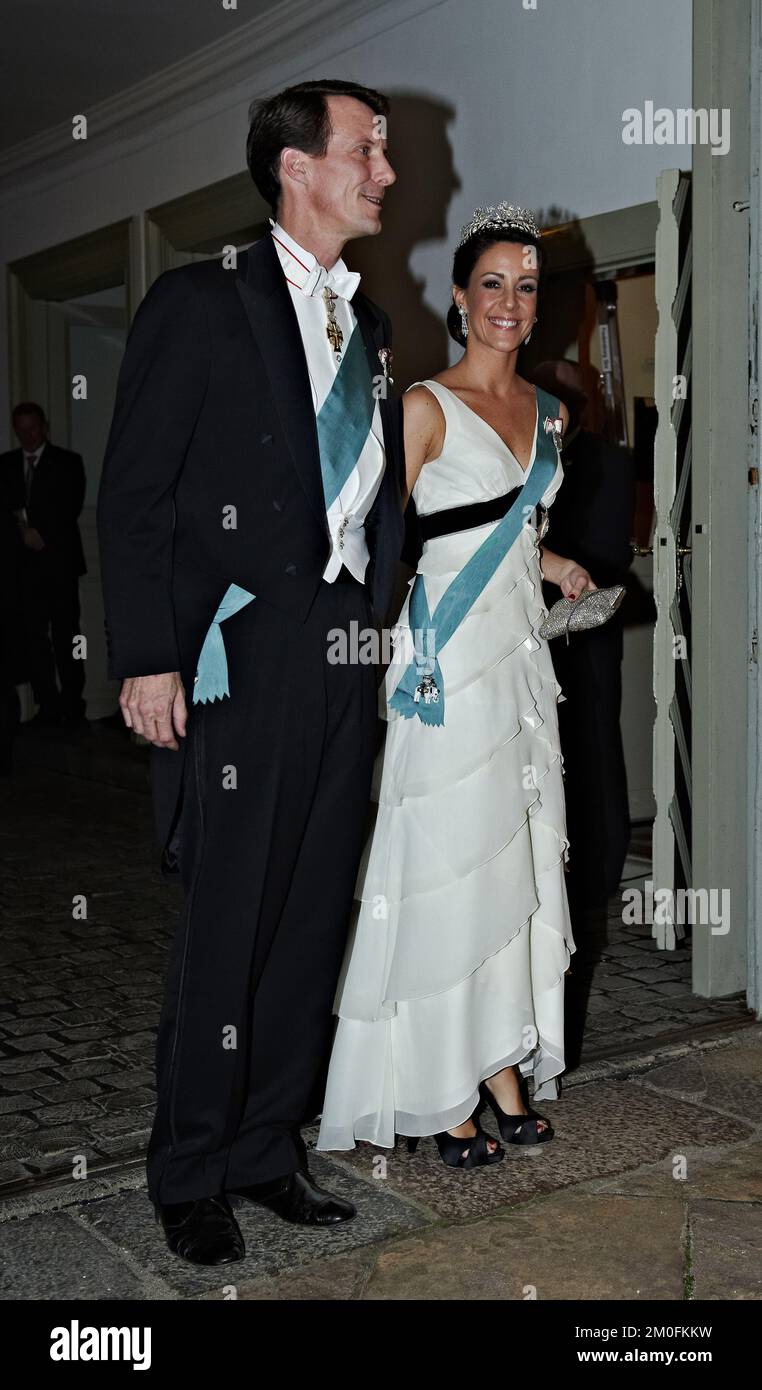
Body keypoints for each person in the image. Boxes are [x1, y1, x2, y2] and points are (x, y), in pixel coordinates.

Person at [97, 79, 403, 1264]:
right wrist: (149, 659)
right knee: (227, 924)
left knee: (310, 914)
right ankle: (189, 1169)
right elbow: (135, 498)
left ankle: (269, 1147)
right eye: (365, 150)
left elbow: (373, 509)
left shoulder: (370, 326)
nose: (384, 171)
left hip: (338, 666)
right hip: (236, 658)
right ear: (296, 167)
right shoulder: (202, 303)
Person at [317, 204, 595, 1169]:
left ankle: (500, 1067)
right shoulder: (424, 407)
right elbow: (378, 544)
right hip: (446, 664)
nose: (510, 302)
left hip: (519, 661)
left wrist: (552, 564)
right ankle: (440, 1086)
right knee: (447, 864)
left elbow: (506, 527)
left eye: (526, 285)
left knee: (509, 862)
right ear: (461, 299)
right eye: (493, 284)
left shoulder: (551, 413)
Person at [531, 359, 634, 908]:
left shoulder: (608, 461)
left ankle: (598, 873)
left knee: (593, 744)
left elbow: (611, 551)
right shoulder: (533, 453)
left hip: (587, 631)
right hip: (534, 627)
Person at [0, 403, 87, 727]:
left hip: (60, 565)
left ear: (44, 426)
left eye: (32, 428)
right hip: (23, 570)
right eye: (20, 429)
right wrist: (22, 532)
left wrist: (41, 534)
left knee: (68, 636)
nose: (26, 435)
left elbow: (69, 506)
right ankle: (48, 705)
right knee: (33, 638)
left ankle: (73, 705)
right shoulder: (6, 464)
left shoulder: (67, 462)